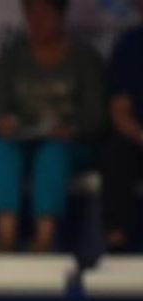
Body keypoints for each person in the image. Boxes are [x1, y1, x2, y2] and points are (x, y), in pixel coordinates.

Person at [0, 0, 104, 252]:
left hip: (70, 142)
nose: (36, 20)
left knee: (52, 152)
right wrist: (4, 124)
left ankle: (45, 237)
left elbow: (97, 115)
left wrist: (71, 127)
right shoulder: (11, 58)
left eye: (44, 13)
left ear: (60, 16)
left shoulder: (84, 58)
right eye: (30, 13)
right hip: (22, 139)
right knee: (3, 149)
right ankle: (6, 235)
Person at [101, 7, 143, 252]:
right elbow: (120, 110)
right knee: (117, 150)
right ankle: (116, 241)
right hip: (136, 139)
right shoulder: (130, 46)